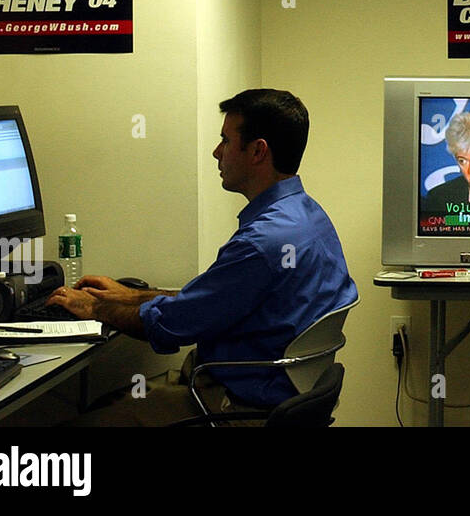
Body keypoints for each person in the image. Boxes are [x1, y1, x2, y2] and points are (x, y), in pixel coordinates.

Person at [49, 89, 358, 426]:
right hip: (269, 392)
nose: (216, 151)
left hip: (232, 404)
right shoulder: (308, 217)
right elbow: (213, 301)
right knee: (108, 402)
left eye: (225, 140)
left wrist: (94, 308)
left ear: (258, 151)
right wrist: (132, 295)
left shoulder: (263, 242)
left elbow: (172, 325)